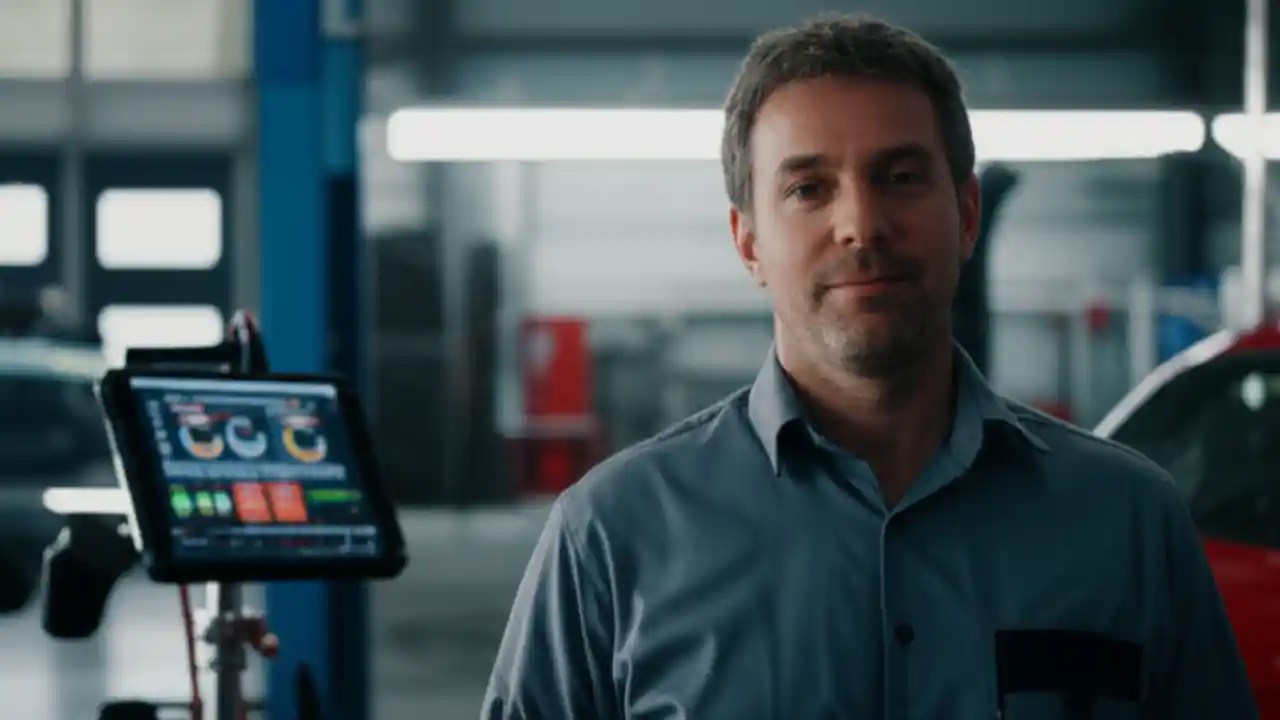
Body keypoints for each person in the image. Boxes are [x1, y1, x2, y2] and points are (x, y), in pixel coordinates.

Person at [481, 15, 1258, 719]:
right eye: (809, 188)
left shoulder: (1128, 522)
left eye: (900, 177)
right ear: (749, 241)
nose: (861, 225)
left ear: (966, 215)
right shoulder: (613, 535)